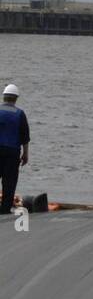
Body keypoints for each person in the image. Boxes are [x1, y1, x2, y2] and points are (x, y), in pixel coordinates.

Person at [0, 84, 30, 215]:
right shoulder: (20, 114)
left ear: (4, 97)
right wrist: (26, 154)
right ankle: (5, 209)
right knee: (9, 181)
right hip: (12, 152)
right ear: (15, 99)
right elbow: (25, 136)